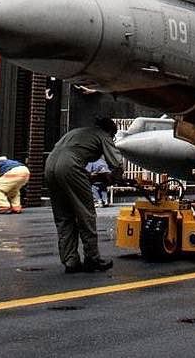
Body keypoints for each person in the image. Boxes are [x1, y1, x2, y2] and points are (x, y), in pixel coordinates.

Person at [45, 116, 123, 273]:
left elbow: (71, 158)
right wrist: (114, 178)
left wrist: (90, 176)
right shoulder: (103, 135)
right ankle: (92, 258)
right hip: (70, 165)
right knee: (86, 214)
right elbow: (117, 163)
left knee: (63, 216)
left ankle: (70, 261)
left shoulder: (76, 132)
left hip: (50, 165)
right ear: (109, 131)